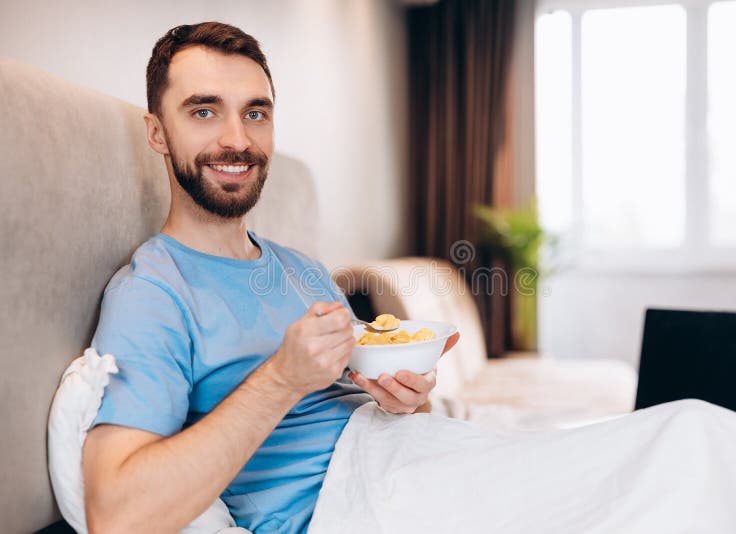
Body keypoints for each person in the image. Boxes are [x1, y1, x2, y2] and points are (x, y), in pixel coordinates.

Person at [82, 21, 459, 534]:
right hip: (361, 506)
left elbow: (381, 405)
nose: (237, 139)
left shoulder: (304, 270)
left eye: (255, 113)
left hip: (427, 465)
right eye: (204, 111)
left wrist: (407, 401)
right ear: (157, 133)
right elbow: (117, 516)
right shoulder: (152, 293)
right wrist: (281, 379)